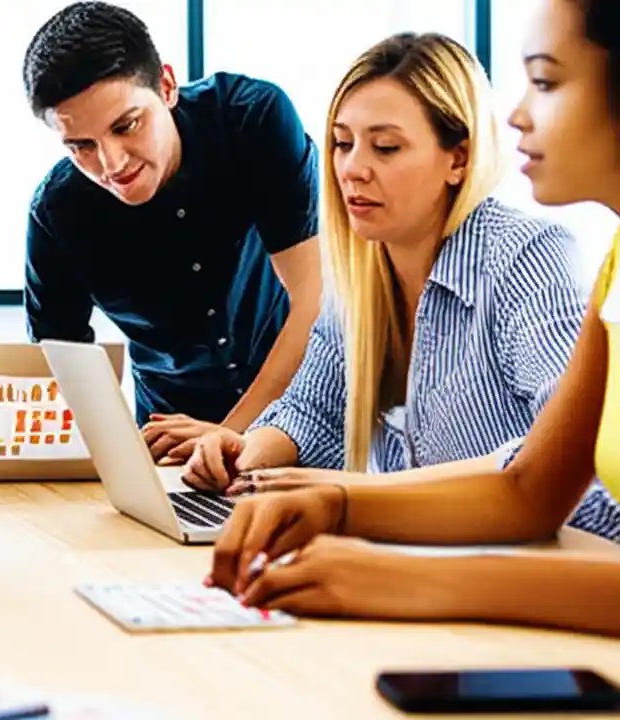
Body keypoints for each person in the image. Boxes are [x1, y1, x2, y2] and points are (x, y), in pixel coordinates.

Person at [207, 0, 620, 637]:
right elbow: (534, 482)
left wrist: (385, 549)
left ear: (457, 159)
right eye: (342, 144)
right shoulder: (614, 269)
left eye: (545, 81)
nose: (512, 116)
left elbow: (542, 489)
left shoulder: (527, 255)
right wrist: (304, 488)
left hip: (560, 578)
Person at [20, 1, 322, 463]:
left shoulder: (252, 120)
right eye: (81, 146)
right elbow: (61, 364)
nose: (112, 164)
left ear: (166, 84)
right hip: (170, 444)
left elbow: (314, 298)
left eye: (127, 125)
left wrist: (228, 434)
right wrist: (121, 460)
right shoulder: (57, 213)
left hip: (299, 412)